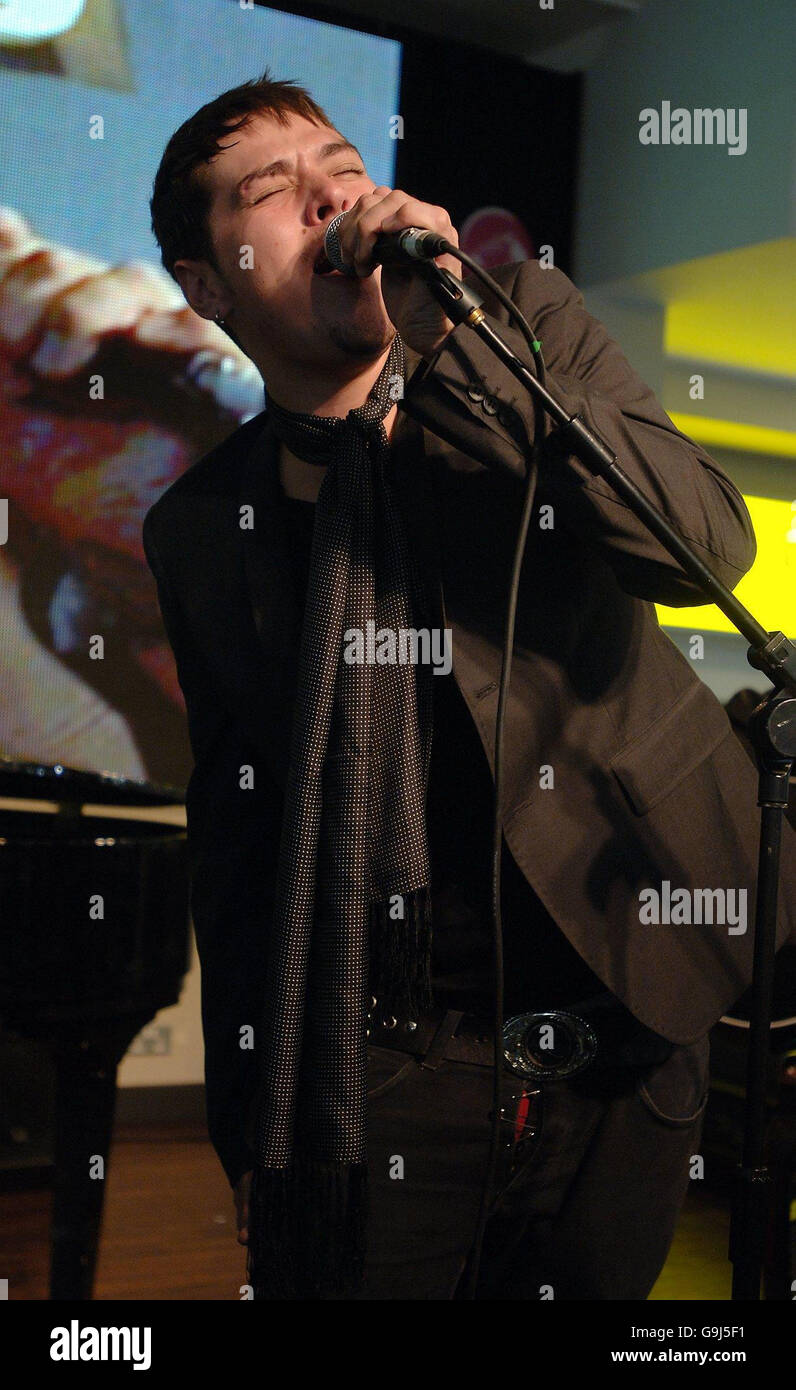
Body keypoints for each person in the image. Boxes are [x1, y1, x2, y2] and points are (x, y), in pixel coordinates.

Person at [142, 71, 794, 1300]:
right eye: (270, 191)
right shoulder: (199, 528)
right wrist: (254, 1126)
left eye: (338, 162)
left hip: (631, 1001)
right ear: (208, 285)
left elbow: (700, 546)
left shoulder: (525, 328)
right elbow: (236, 835)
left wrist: (459, 348)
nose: (331, 192)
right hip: (390, 1056)